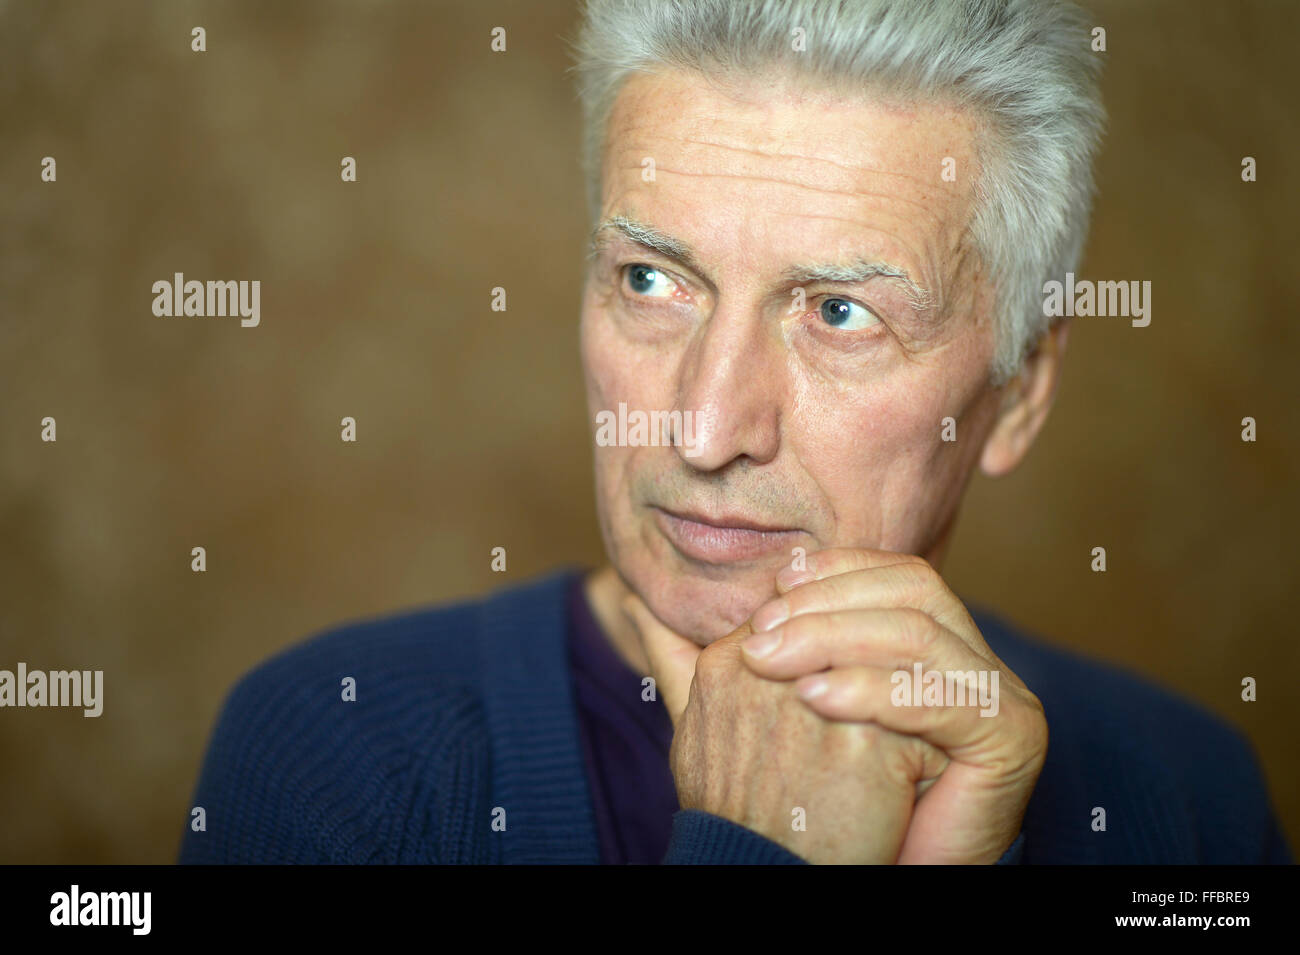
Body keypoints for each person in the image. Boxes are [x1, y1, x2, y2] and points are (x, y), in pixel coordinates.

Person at [179, 0, 1291, 865]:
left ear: (1018, 394)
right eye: (652, 279)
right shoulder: (340, 758)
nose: (705, 426)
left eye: (838, 312)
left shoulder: (1185, 798)